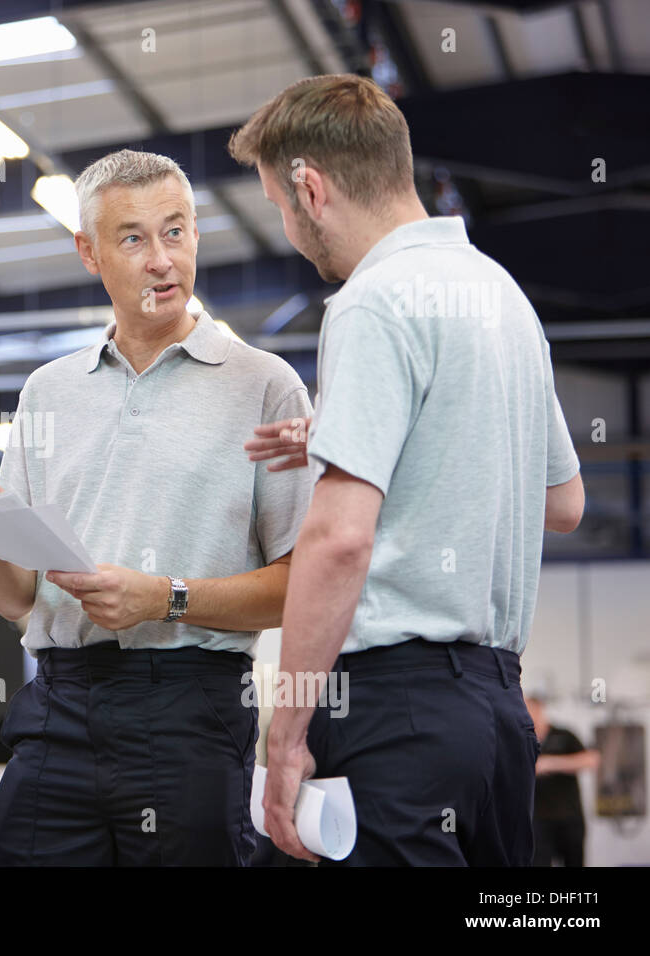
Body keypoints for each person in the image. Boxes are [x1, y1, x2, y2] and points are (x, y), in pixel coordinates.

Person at [228, 74, 586, 865]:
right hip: (496, 720)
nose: (287, 229)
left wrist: (285, 730)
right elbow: (564, 501)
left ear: (311, 189)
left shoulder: (372, 301)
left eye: (279, 208)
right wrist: (367, 429)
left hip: (397, 714)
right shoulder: (502, 297)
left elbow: (340, 539)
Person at [0, 149, 314, 866]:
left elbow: (299, 587)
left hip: (190, 710)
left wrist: (164, 598)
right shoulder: (48, 391)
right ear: (88, 253)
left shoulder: (263, 385)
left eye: (176, 231)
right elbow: (13, 600)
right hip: (57, 706)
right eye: (132, 239)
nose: (162, 260)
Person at [527, 695, 600, 867]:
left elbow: (591, 759)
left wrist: (551, 763)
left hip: (569, 818)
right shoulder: (523, 741)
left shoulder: (564, 735)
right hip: (538, 821)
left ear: (539, 710)